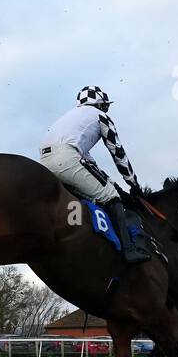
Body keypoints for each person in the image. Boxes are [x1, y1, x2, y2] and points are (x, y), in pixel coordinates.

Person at [40, 86, 149, 264]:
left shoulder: (70, 118)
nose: (106, 110)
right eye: (105, 106)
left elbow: (88, 161)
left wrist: (107, 179)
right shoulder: (100, 116)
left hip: (45, 161)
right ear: (99, 104)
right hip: (67, 159)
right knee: (111, 196)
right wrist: (133, 184)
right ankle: (129, 250)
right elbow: (118, 153)